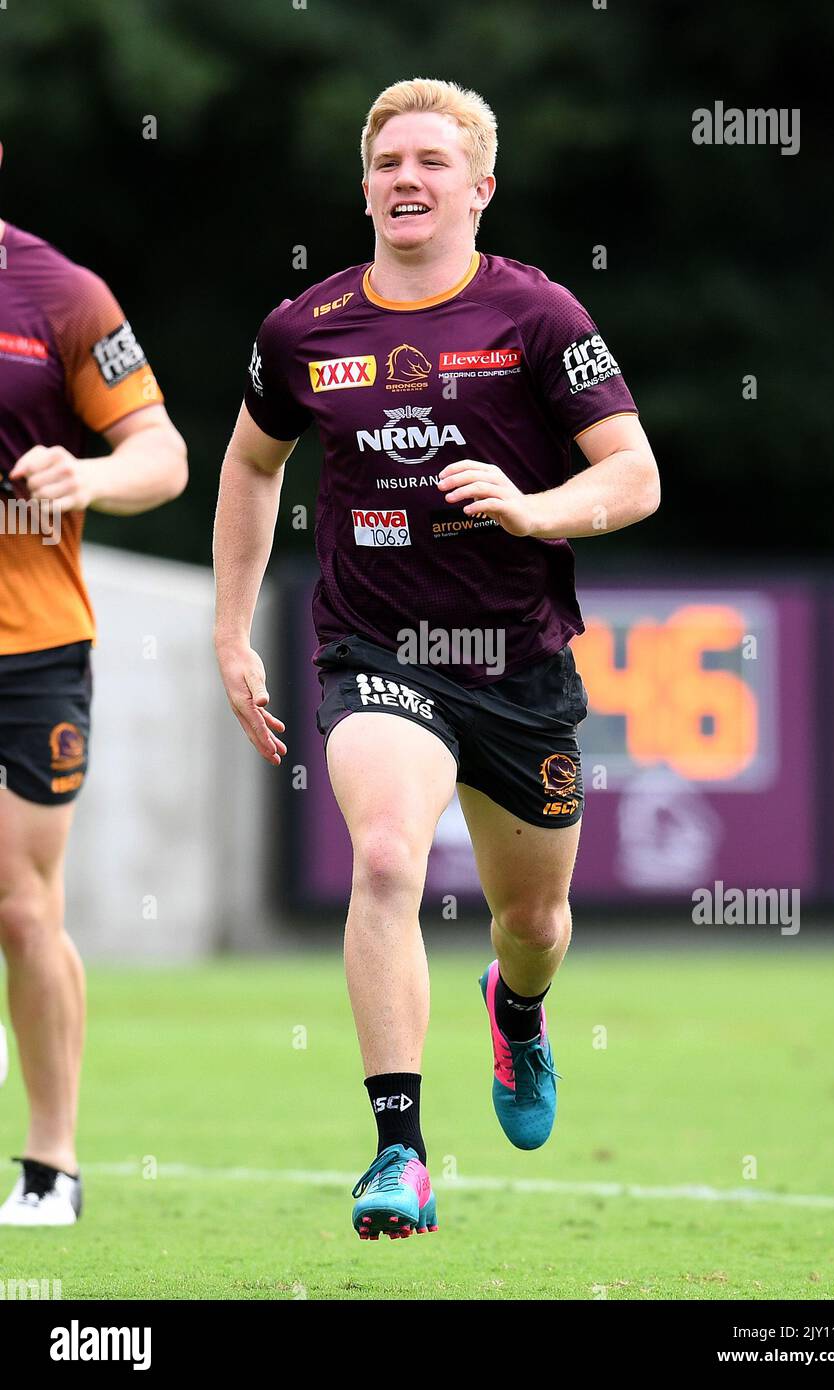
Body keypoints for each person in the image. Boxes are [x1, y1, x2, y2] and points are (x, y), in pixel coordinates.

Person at [213, 78, 659, 1241]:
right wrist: (229, 626)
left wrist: (529, 505)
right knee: (380, 858)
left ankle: (515, 1014)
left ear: (480, 187)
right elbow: (251, 467)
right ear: (364, 186)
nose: (405, 179)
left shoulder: (538, 315)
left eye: (431, 161)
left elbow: (632, 473)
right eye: (387, 162)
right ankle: (398, 1150)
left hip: (516, 665)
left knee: (536, 924)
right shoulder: (302, 328)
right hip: (376, 650)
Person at [0, 143, 188, 1225]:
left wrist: (90, 475)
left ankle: (51, 1167)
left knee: (23, 905)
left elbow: (161, 453)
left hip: (32, 645)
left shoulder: (61, 294)